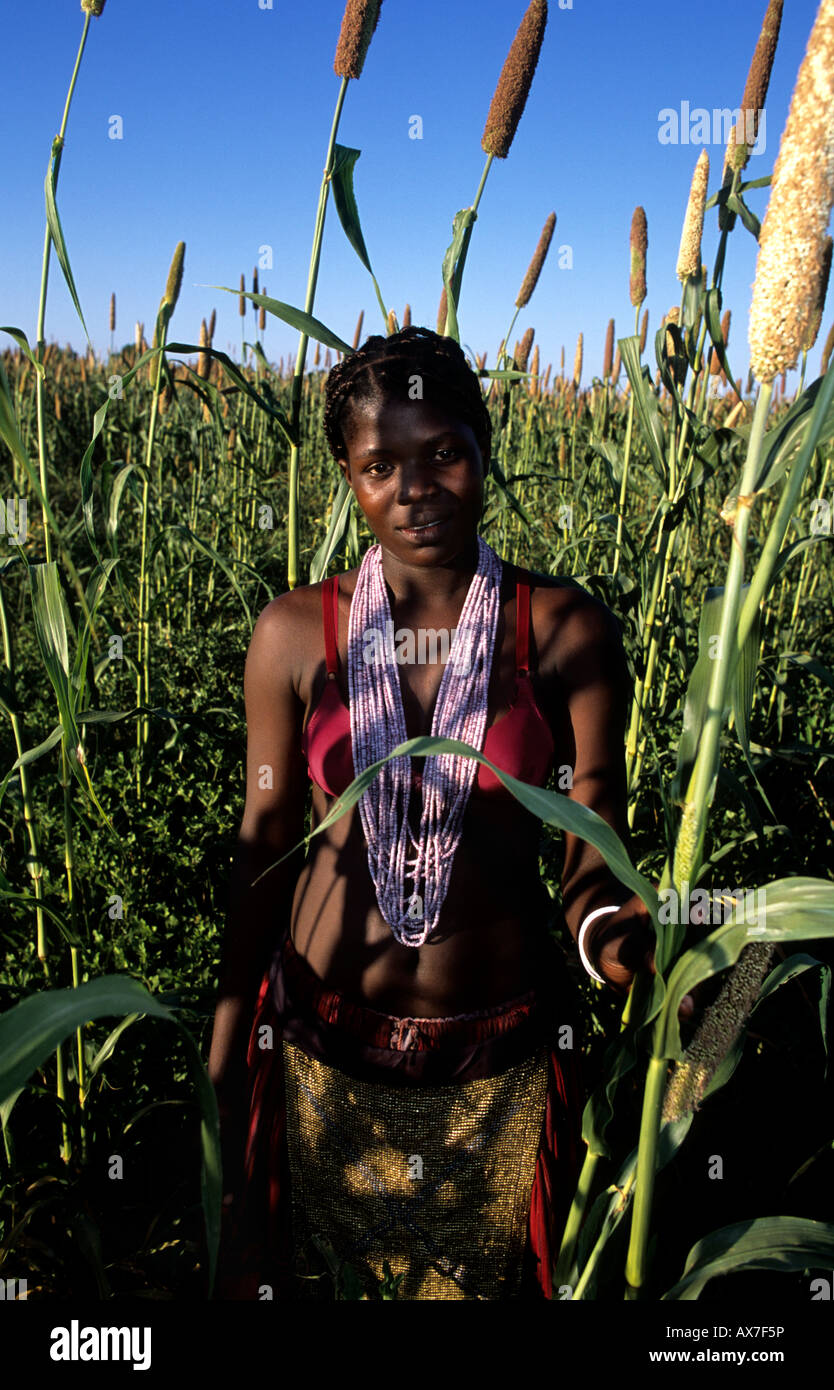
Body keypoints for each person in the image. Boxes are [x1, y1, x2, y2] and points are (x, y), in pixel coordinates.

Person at [207, 326, 658, 1301]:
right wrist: (231, 1026)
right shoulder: (295, 632)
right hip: (324, 1056)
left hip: (496, 1072)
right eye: (380, 466)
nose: (414, 489)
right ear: (348, 478)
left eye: (443, 452)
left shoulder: (562, 629)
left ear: (485, 447)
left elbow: (593, 841)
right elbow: (265, 847)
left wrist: (622, 940)